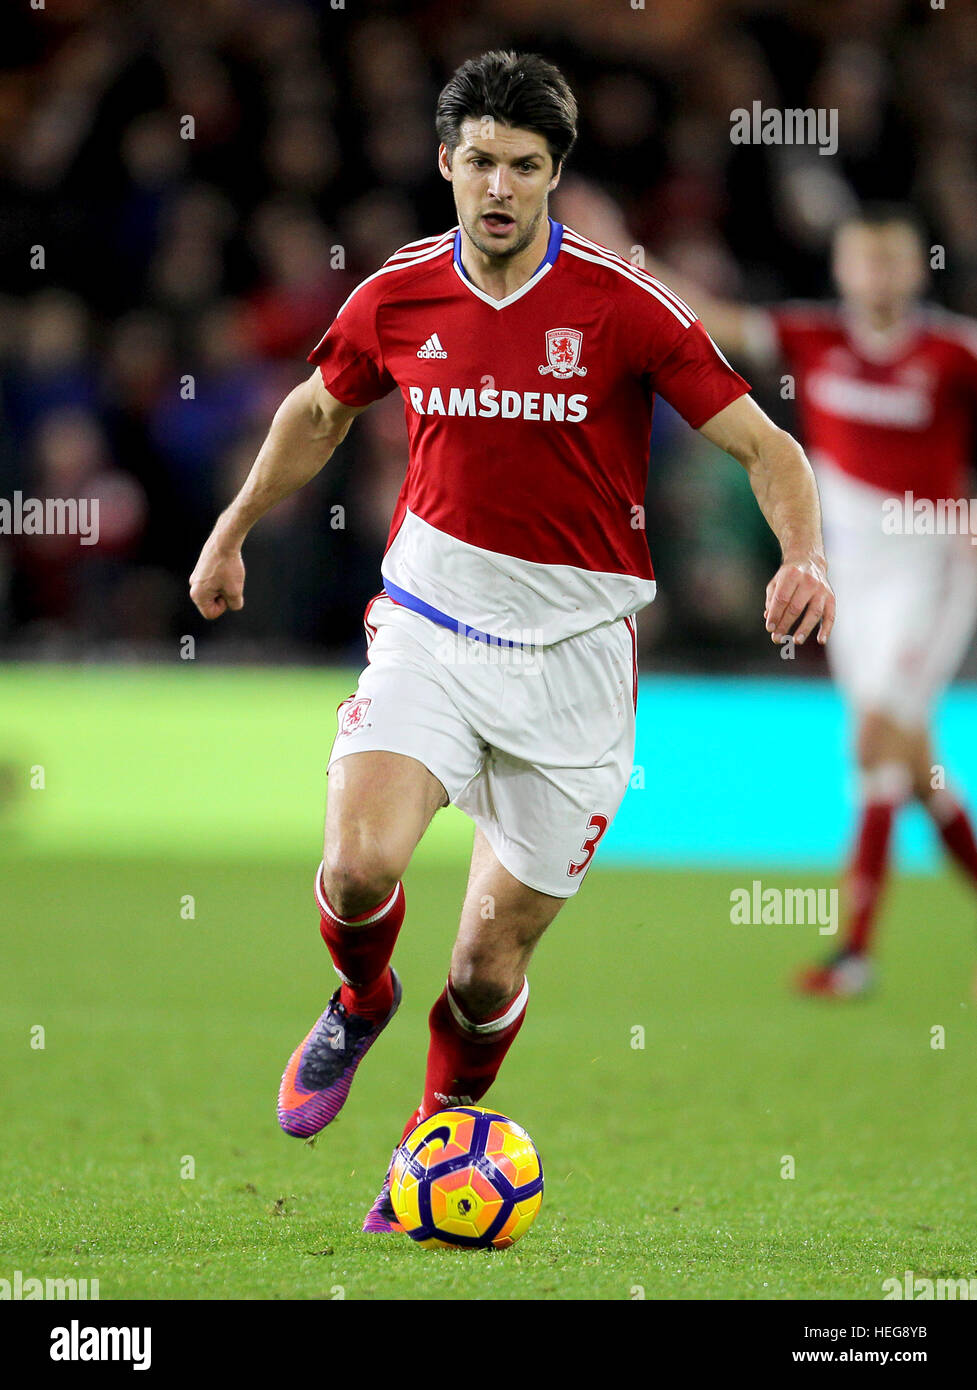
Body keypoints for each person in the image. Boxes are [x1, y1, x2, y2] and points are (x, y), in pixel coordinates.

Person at [189, 50, 833, 1232]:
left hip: (577, 663)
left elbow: (767, 449)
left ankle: (422, 1150)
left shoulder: (623, 307)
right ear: (444, 162)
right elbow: (320, 409)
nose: (497, 186)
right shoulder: (395, 294)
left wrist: (802, 556)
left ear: (553, 175)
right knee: (356, 869)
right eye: (477, 161)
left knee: (487, 972)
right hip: (430, 627)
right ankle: (359, 999)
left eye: (523, 166)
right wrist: (232, 529)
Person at [558, 190, 977, 997]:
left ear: (915, 266)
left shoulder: (953, 353)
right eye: (864, 259)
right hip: (851, 579)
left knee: (875, 745)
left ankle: (850, 953)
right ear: (842, 268)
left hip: (932, 573)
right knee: (910, 761)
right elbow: (704, 316)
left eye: (892, 259)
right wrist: (616, 243)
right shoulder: (812, 338)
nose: (878, 275)